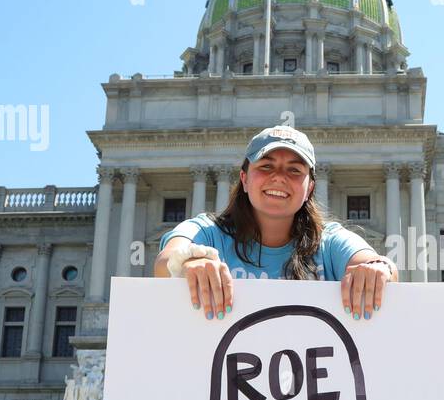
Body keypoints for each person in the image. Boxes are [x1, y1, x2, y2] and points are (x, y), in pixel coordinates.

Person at [152, 125, 398, 319]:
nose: (279, 178)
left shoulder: (330, 241)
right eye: (266, 166)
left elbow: (378, 264)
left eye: (294, 170)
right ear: (245, 179)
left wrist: (378, 269)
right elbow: (166, 260)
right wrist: (188, 263)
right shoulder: (206, 231)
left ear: (309, 187)